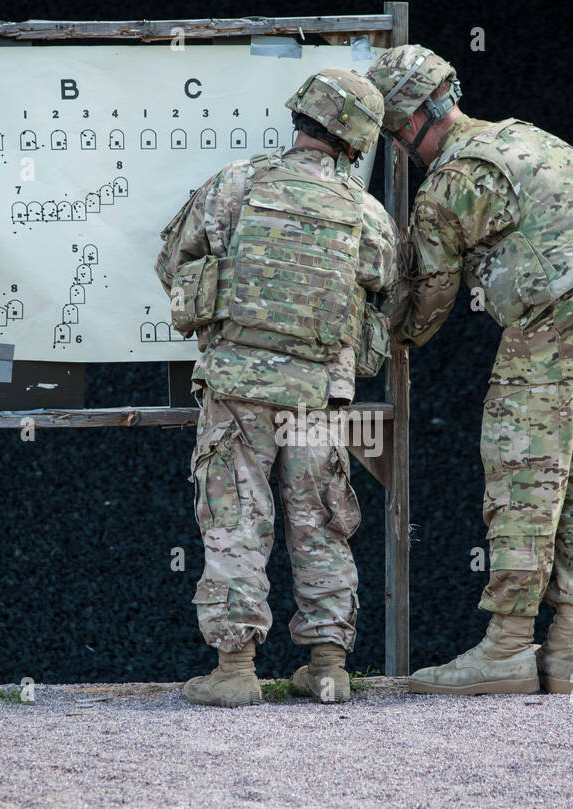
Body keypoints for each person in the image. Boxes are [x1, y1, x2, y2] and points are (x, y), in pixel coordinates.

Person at [365, 45, 573, 695]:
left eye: (394, 132)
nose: (396, 145)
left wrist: (383, 339)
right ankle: (565, 655)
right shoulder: (530, 137)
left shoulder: (448, 184)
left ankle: (506, 647)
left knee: (523, 482)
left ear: (414, 119)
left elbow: (431, 302)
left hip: (554, 328)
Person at [155, 68, 402, 707]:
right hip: (318, 393)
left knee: (236, 515)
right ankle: (327, 666)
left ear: (300, 119)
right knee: (319, 517)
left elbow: (172, 261)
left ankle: (236, 671)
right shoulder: (365, 212)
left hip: (236, 387)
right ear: (356, 142)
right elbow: (384, 294)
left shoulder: (237, 184)